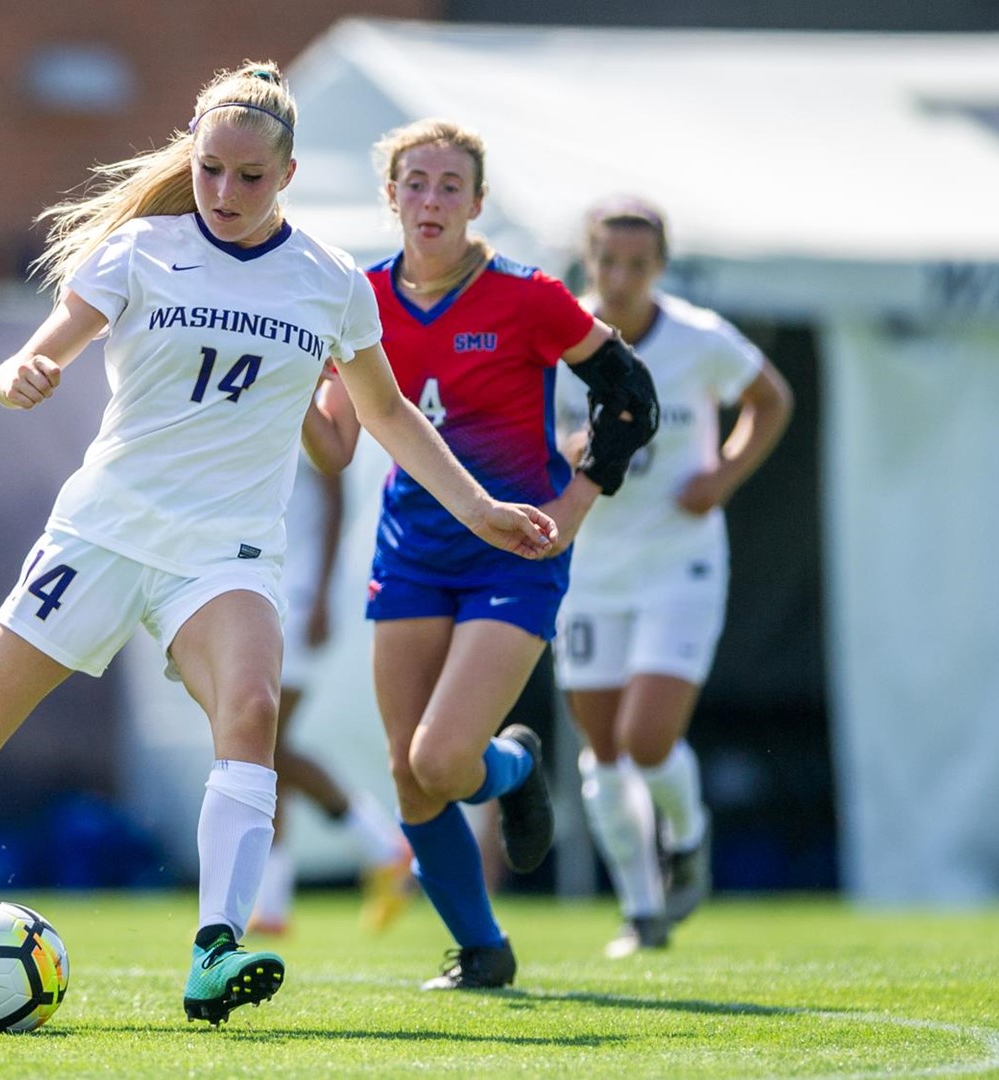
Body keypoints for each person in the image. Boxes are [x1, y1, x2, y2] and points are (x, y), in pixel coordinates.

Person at [0, 63, 558, 1027]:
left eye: (249, 177)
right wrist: (18, 375)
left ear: (286, 174)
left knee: (249, 712)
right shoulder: (137, 252)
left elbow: (389, 415)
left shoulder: (328, 280)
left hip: (227, 552)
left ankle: (215, 952)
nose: (225, 194)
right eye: (210, 172)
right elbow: (39, 352)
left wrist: (479, 505)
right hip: (104, 533)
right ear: (190, 162)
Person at [306, 119, 659, 990]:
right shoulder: (362, 302)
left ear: (476, 202)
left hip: (515, 551)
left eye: (448, 186)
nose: (430, 200)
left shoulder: (529, 297)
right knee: (410, 774)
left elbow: (634, 399)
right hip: (412, 552)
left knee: (440, 760)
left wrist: (575, 505)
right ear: (389, 196)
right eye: (414, 183)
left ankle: (515, 762)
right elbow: (335, 448)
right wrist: (278, 387)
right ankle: (483, 949)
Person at [552, 197, 793, 957]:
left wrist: (722, 476)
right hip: (591, 562)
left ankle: (688, 838)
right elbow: (519, 424)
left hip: (677, 560)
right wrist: (553, 451)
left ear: (660, 267)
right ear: (589, 261)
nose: (621, 278)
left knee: (647, 737)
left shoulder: (697, 338)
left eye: (638, 264)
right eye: (608, 262)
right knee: (603, 750)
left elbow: (770, 400)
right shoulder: (558, 334)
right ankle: (642, 909)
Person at [246, 454, 413, 938]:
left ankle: (383, 846)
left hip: (298, 591)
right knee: (262, 749)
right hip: (266, 584)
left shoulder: (307, 398)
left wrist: (321, 593)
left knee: (264, 745)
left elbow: (337, 495)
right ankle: (273, 905)